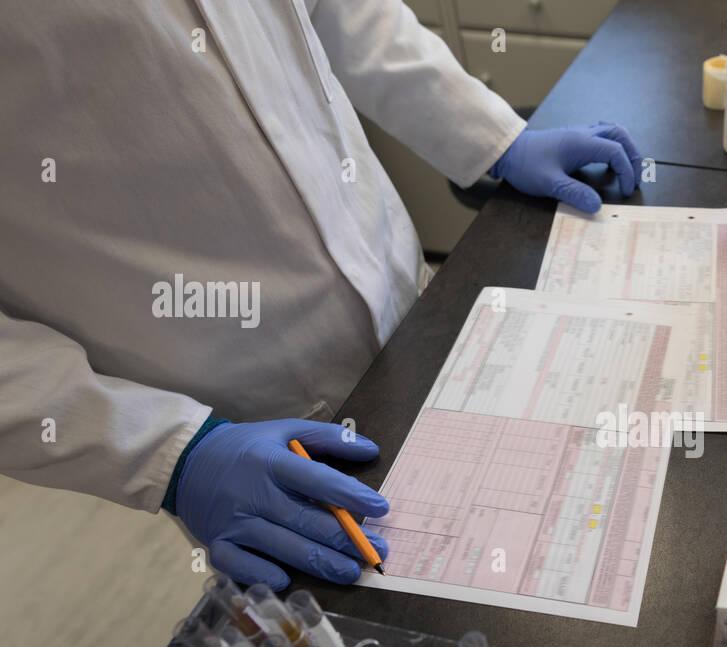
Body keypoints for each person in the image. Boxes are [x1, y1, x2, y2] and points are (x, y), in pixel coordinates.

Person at [0, 1, 643, 591]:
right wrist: (166, 453)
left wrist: (491, 137)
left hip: (406, 300)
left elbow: (339, 9)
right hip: (246, 430)